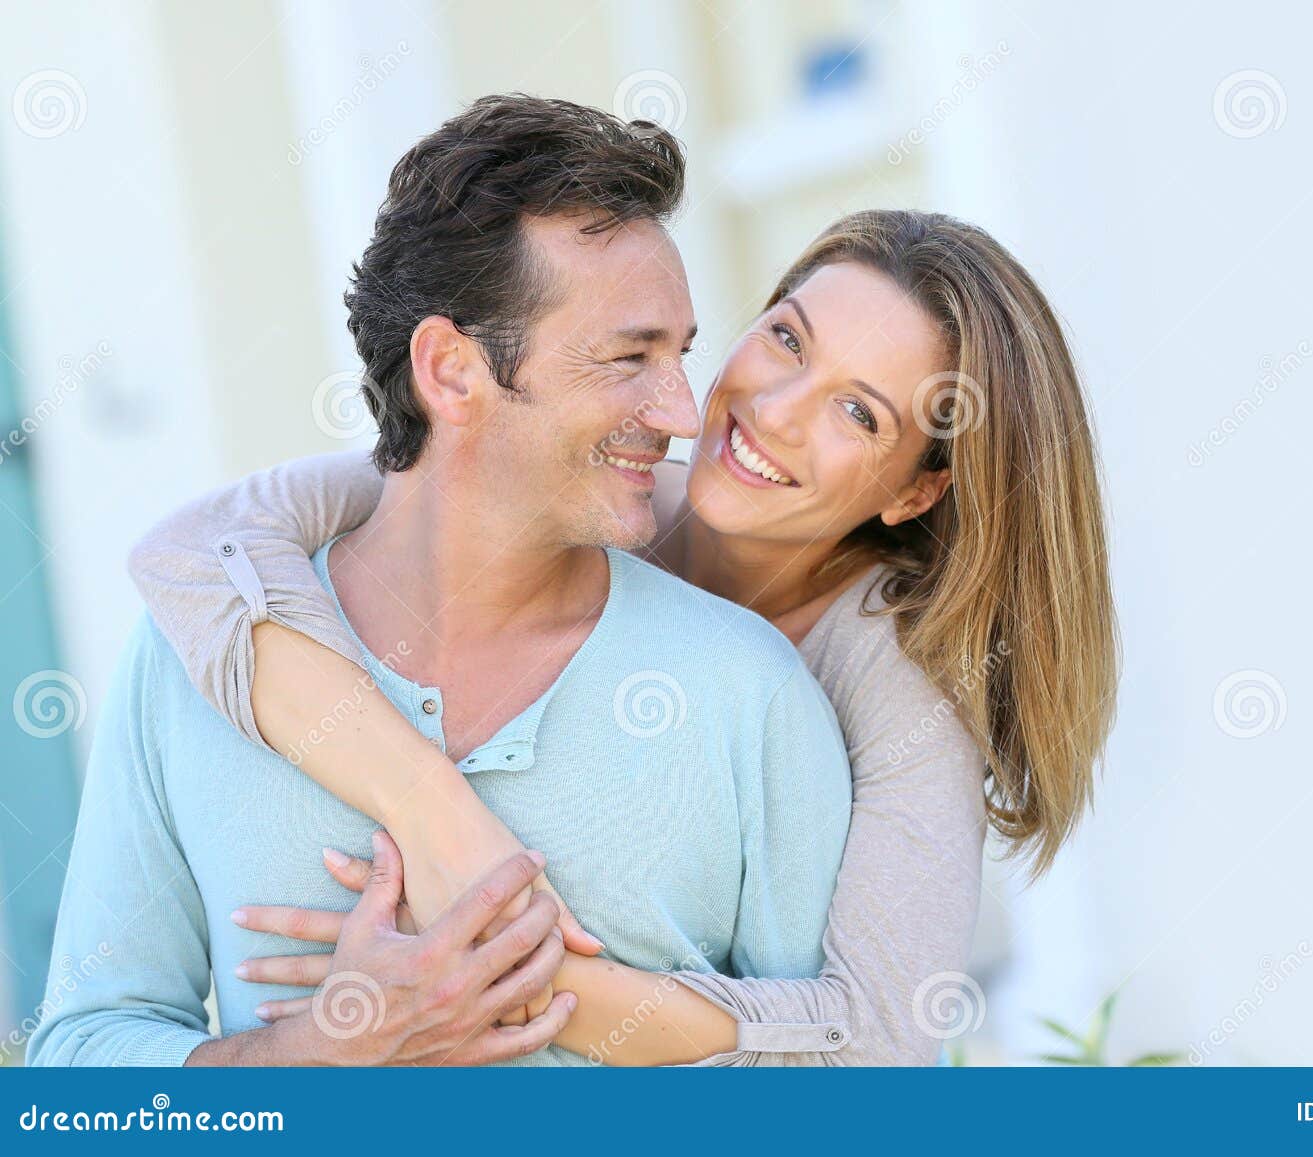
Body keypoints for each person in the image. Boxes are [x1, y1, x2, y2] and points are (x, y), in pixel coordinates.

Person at [118, 199, 1120, 1064]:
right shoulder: (595, 497)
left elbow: (875, 1049)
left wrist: (475, 962)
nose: (770, 410)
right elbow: (196, 549)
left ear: (916, 488)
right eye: (785, 338)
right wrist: (436, 816)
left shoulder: (897, 693)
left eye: (856, 412)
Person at [25, 95, 851, 1068]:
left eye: (680, 355)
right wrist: (321, 1050)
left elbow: (841, 1087)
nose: (679, 410)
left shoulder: (749, 694)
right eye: (629, 358)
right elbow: (75, 1065)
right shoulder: (191, 665)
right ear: (451, 370)